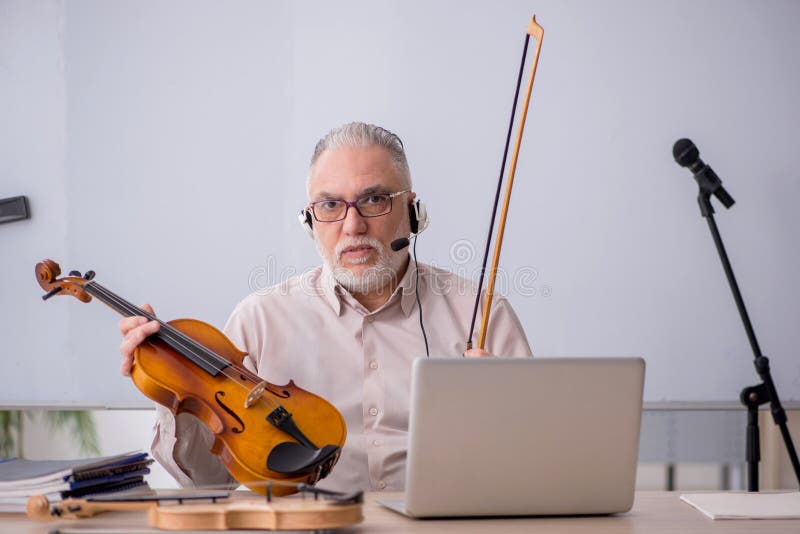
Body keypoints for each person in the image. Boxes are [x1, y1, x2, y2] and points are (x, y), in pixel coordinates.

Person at [118, 122, 532, 493]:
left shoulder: (480, 313)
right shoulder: (259, 320)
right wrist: (178, 388)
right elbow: (208, 482)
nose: (352, 226)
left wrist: (507, 420)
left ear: (412, 211)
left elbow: (534, 466)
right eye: (331, 205)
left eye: (374, 200)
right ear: (310, 220)